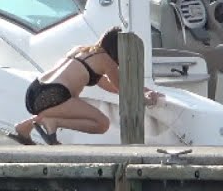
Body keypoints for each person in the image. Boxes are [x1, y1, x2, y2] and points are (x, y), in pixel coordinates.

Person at [10, 26, 162, 145]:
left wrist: (145, 90)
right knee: (102, 124)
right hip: (54, 94)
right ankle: (53, 122)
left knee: (64, 108)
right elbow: (123, 89)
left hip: (35, 90)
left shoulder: (80, 50)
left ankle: (24, 128)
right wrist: (146, 99)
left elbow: (109, 85)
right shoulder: (107, 61)